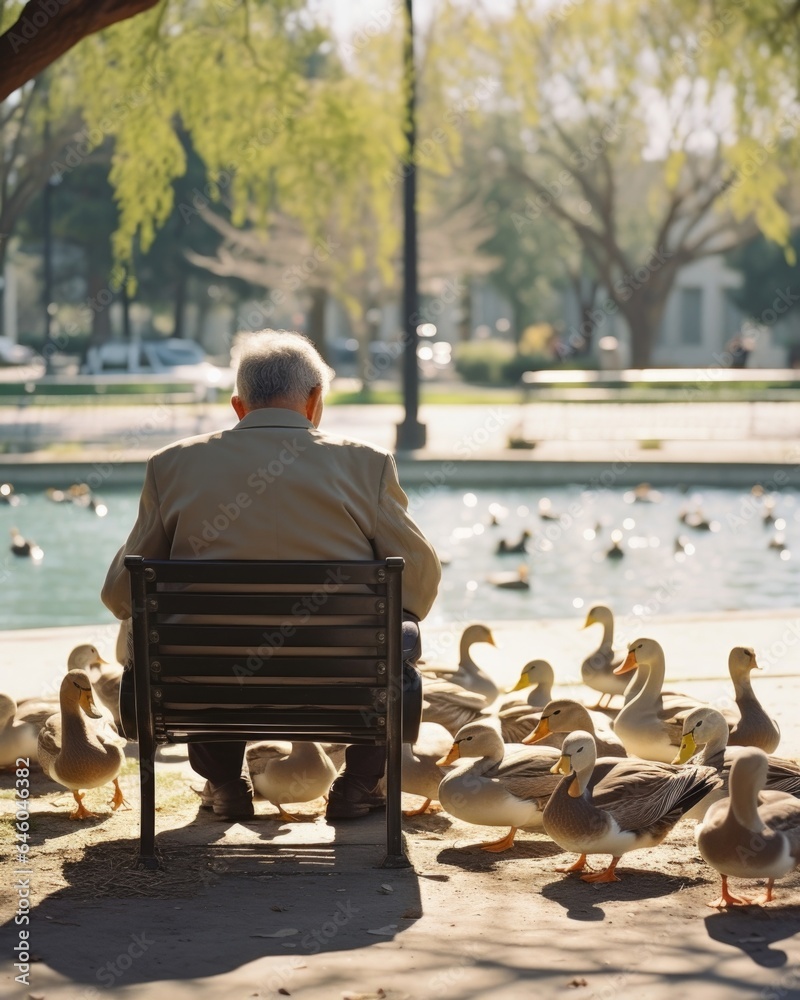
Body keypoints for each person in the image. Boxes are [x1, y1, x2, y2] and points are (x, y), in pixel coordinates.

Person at [101, 330, 441, 821]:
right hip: (341, 685)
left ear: (239, 407)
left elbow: (119, 594)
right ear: (315, 399)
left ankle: (224, 784)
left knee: (192, 638)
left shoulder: (170, 466)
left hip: (210, 687)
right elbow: (420, 583)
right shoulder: (367, 465)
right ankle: (358, 785)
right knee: (397, 641)